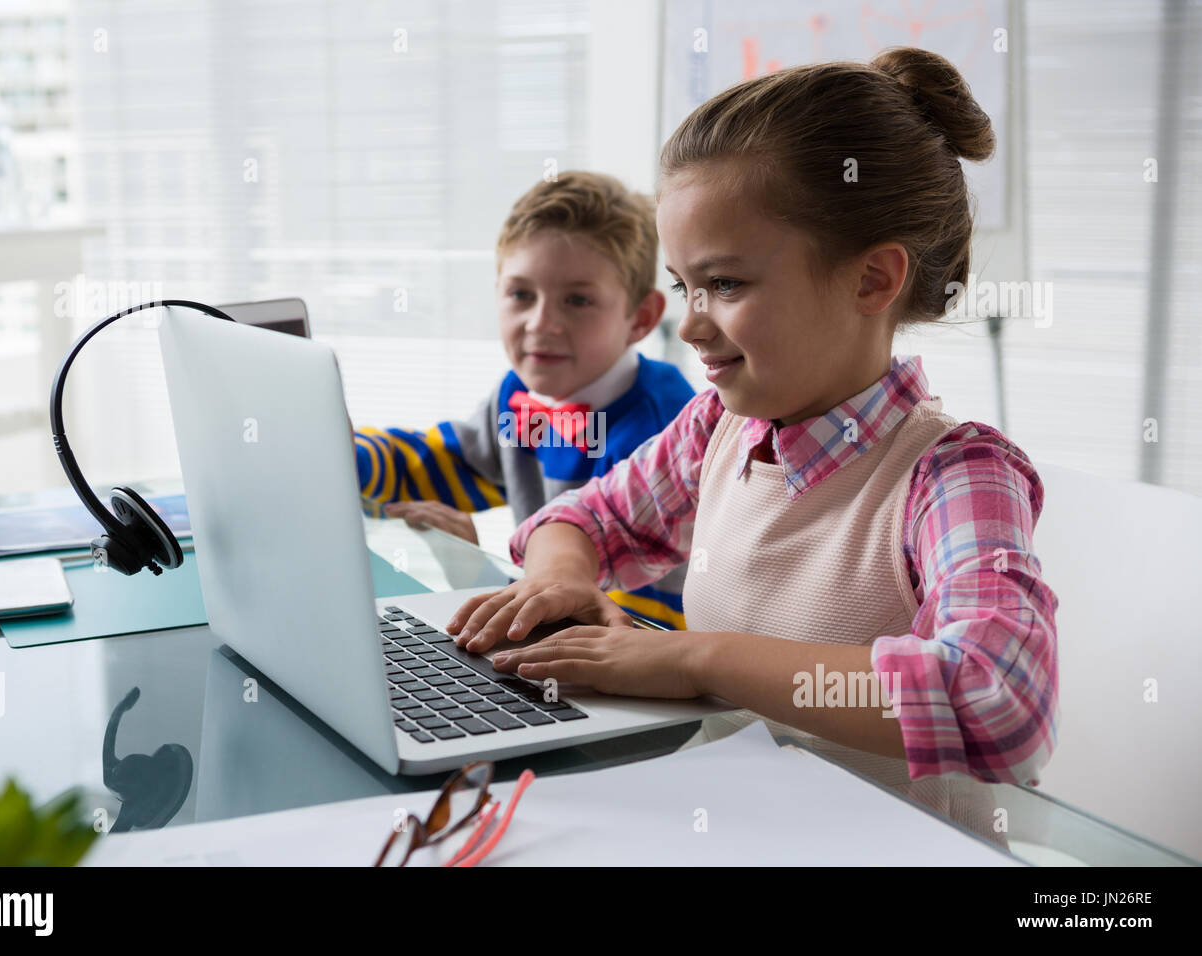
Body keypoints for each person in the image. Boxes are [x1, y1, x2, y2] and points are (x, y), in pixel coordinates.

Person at [446, 48, 1059, 843]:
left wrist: (699, 659)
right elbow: (585, 521)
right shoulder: (719, 430)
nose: (691, 322)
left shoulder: (955, 476)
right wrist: (558, 581)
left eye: (727, 285)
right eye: (683, 285)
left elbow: (996, 698)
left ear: (873, 280)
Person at [355, 171, 695, 627]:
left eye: (576, 300)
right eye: (520, 294)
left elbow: (625, 628)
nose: (540, 323)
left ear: (641, 318)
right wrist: (336, 453)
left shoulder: (660, 427)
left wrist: (474, 573)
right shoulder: (519, 396)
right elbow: (439, 462)